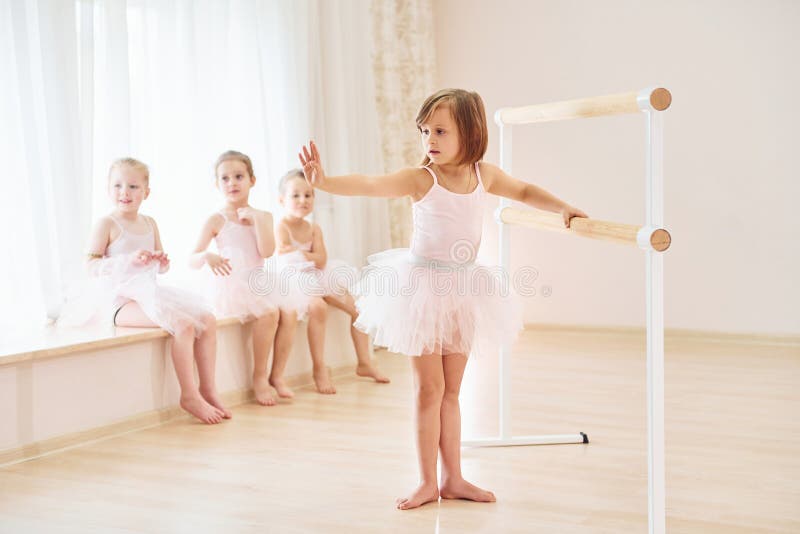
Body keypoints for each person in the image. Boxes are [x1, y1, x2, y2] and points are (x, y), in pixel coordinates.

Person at [298, 89, 588, 509]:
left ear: (469, 132)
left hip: (465, 290)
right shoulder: (422, 178)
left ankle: (453, 478)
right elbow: (371, 184)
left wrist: (562, 207)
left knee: (453, 391)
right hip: (421, 290)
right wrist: (324, 182)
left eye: (439, 131)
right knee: (428, 390)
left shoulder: (482, 175)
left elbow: (523, 191)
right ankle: (425, 481)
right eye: (424, 131)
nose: (428, 140)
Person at [61, 158, 229, 424]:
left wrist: (160, 263)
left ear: (146, 192)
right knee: (183, 324)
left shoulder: (149, 223)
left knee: (207, 318)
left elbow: (157, 268)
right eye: (117, 185)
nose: (124, 192)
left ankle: (208, 388)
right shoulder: (107, 224)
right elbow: (90, 266)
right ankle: (189, 395)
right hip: (121, 302)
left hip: (149, 293)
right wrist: (127, 261)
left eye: (133, 186)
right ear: (108, 189)